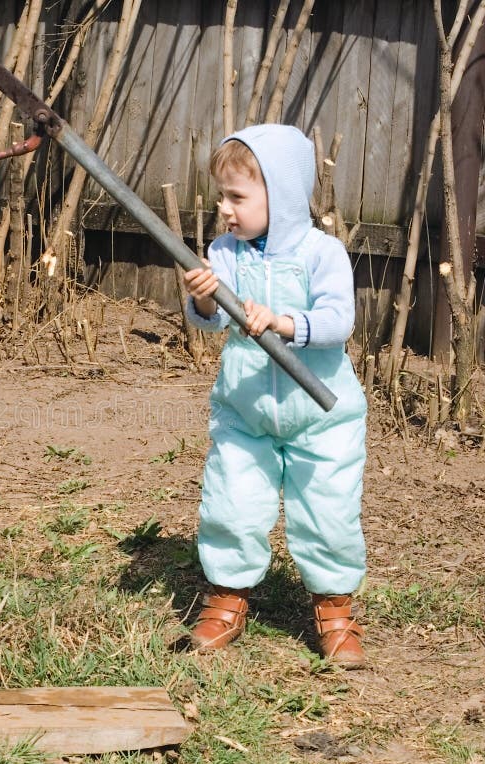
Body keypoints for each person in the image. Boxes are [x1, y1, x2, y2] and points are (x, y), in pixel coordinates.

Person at [182, 124, 368, 668]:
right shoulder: (225, 252)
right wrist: (207, 303)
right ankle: (226, 597)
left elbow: (339, 320)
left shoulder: (321, 253)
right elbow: (210, 326)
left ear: (280, 196)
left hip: (322, 417)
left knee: (327, 515)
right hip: (246, 412)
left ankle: (334, 608)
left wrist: (286, 324)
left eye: (237, 197)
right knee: (231, 506)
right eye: (222, 196)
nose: (225, 209)